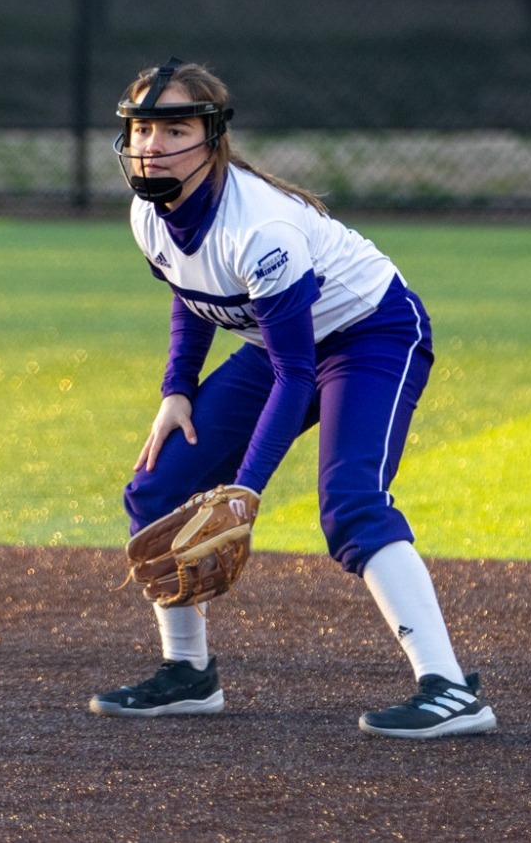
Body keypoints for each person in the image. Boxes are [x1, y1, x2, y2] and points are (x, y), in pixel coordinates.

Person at [86, 58, 496, 739]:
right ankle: (187, 674)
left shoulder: (262, 230)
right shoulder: (149, 212)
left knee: (351, 503)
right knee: (158, 487)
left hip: (370, 336)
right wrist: (176, 390)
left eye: (173, 128)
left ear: (212, 137)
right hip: (283, 347)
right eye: (140, 129)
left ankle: (450, 688)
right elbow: (192, 292)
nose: (151, 145)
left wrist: (246, 489)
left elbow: (294, 375)